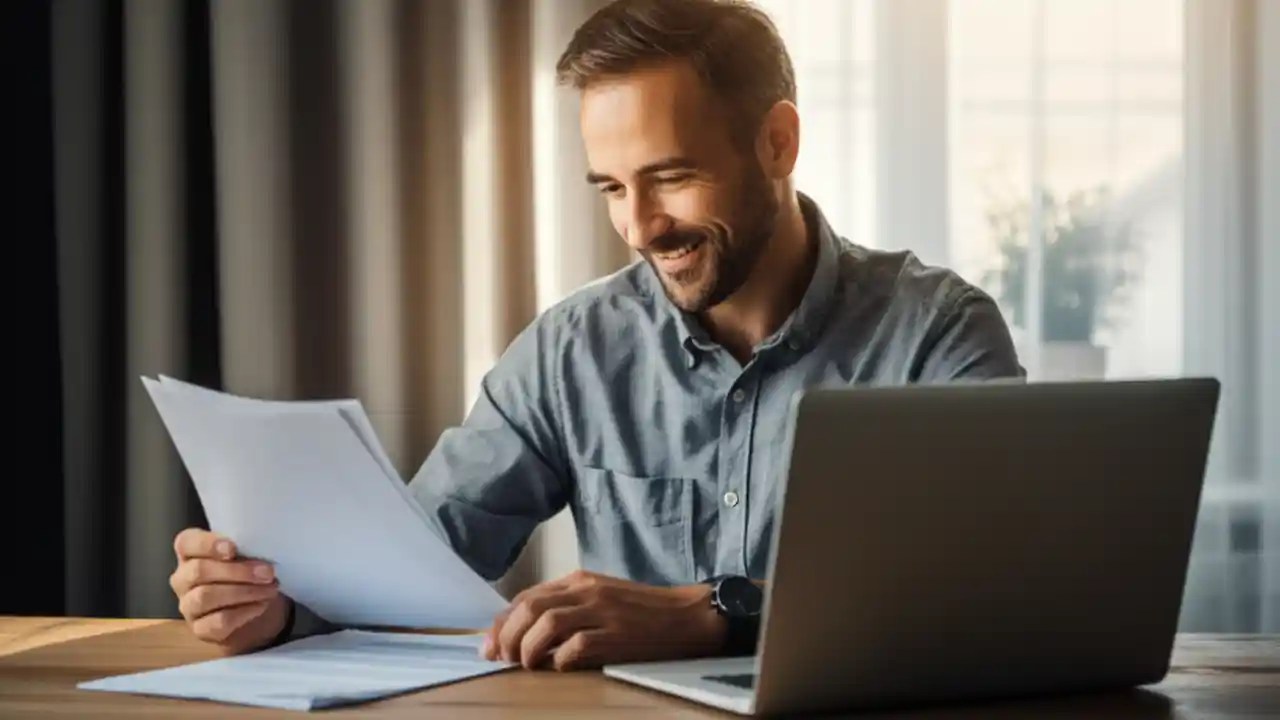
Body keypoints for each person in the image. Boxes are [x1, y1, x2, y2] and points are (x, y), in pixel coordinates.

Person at [168, 0, 1023, 670]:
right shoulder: (571, 350)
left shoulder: (935, 334)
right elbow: (419, 563)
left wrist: (715, 612)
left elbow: (999, 589)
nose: (641, 226)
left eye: (672, 177)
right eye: (611, 188)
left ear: (778, 142)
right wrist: (276, 605)